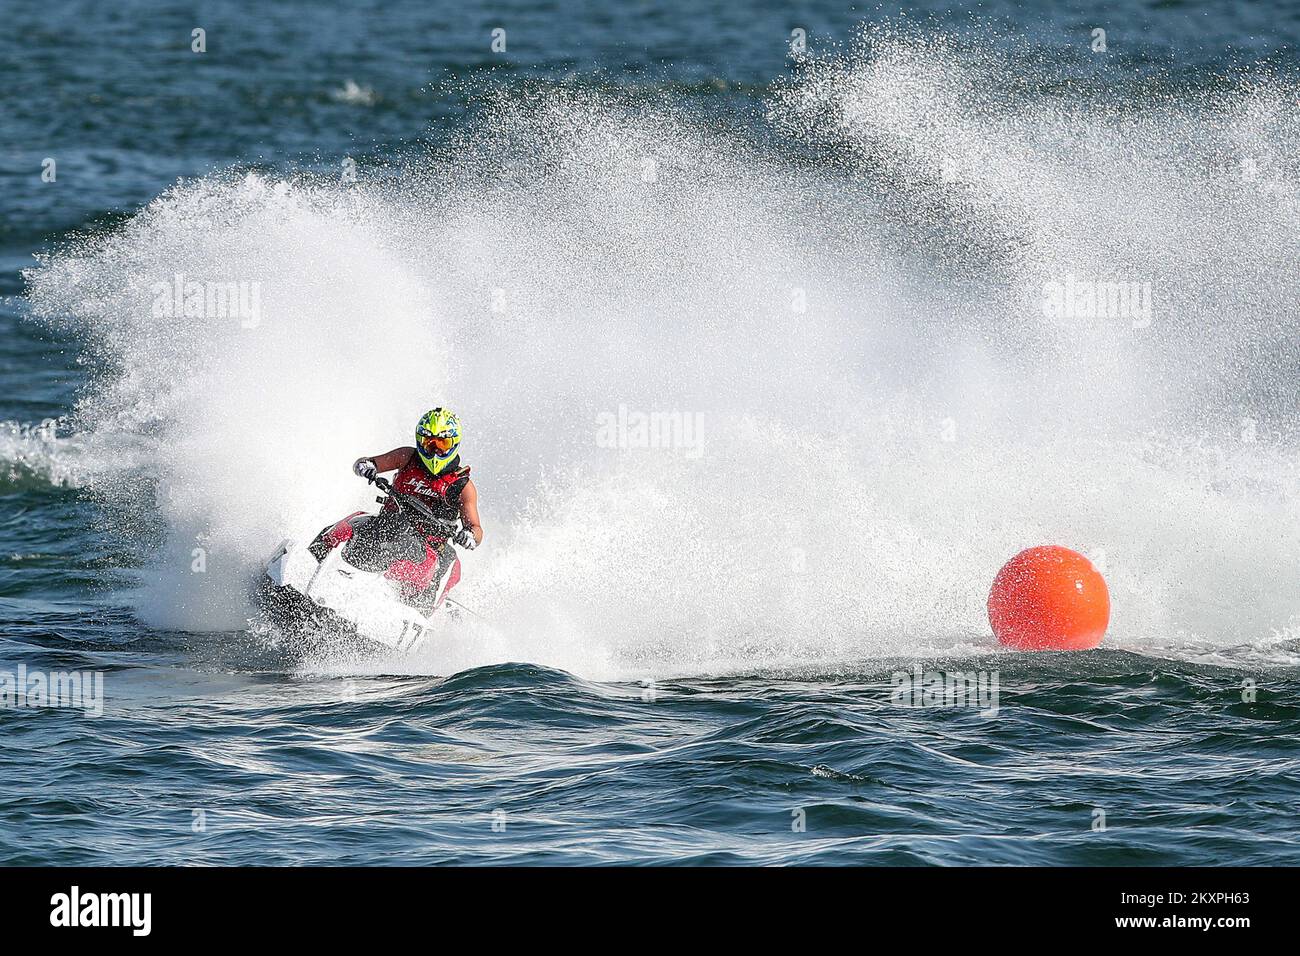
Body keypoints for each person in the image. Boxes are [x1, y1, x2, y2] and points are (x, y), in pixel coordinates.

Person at [349, 408, 483, 602]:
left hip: (429, 549)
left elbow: (477, 529)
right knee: (352, 522)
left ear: (454, 444)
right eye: (429, 444)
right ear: (420, 441)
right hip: (387, 527)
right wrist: (366, 467)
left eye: (442, 444)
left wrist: (470, 536)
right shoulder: (406, 457)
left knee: (443, 569)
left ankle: (420, 619)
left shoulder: (463, 486)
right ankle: (304, 562)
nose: (435, 451)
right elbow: (366, 463)